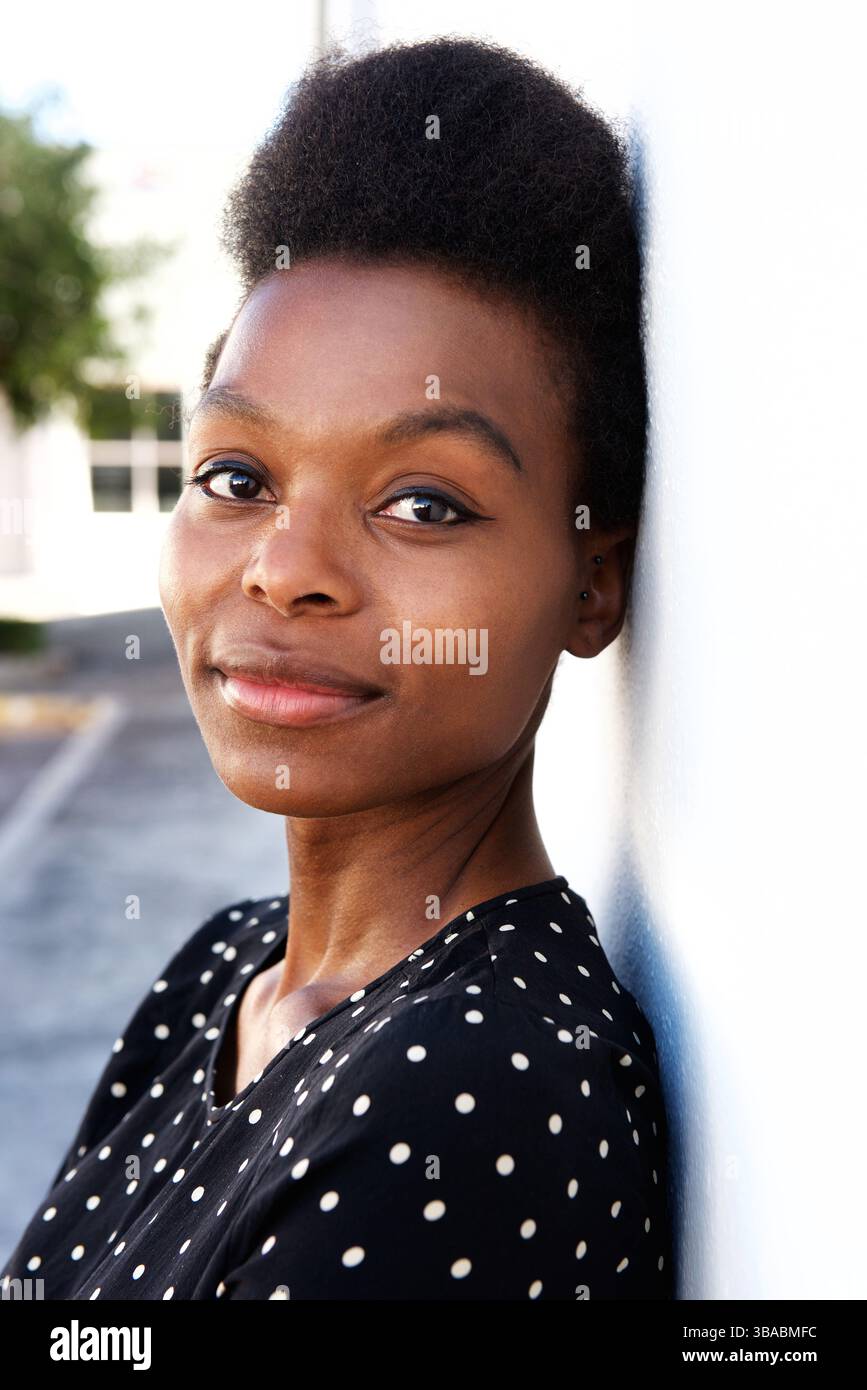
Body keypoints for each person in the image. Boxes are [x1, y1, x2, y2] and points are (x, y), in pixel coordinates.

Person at [2, 34, 671, 1300]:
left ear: (594, 581)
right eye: (236, 477)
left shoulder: (478, 1099)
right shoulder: (226, 969)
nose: (284, 567)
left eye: (421, 502)